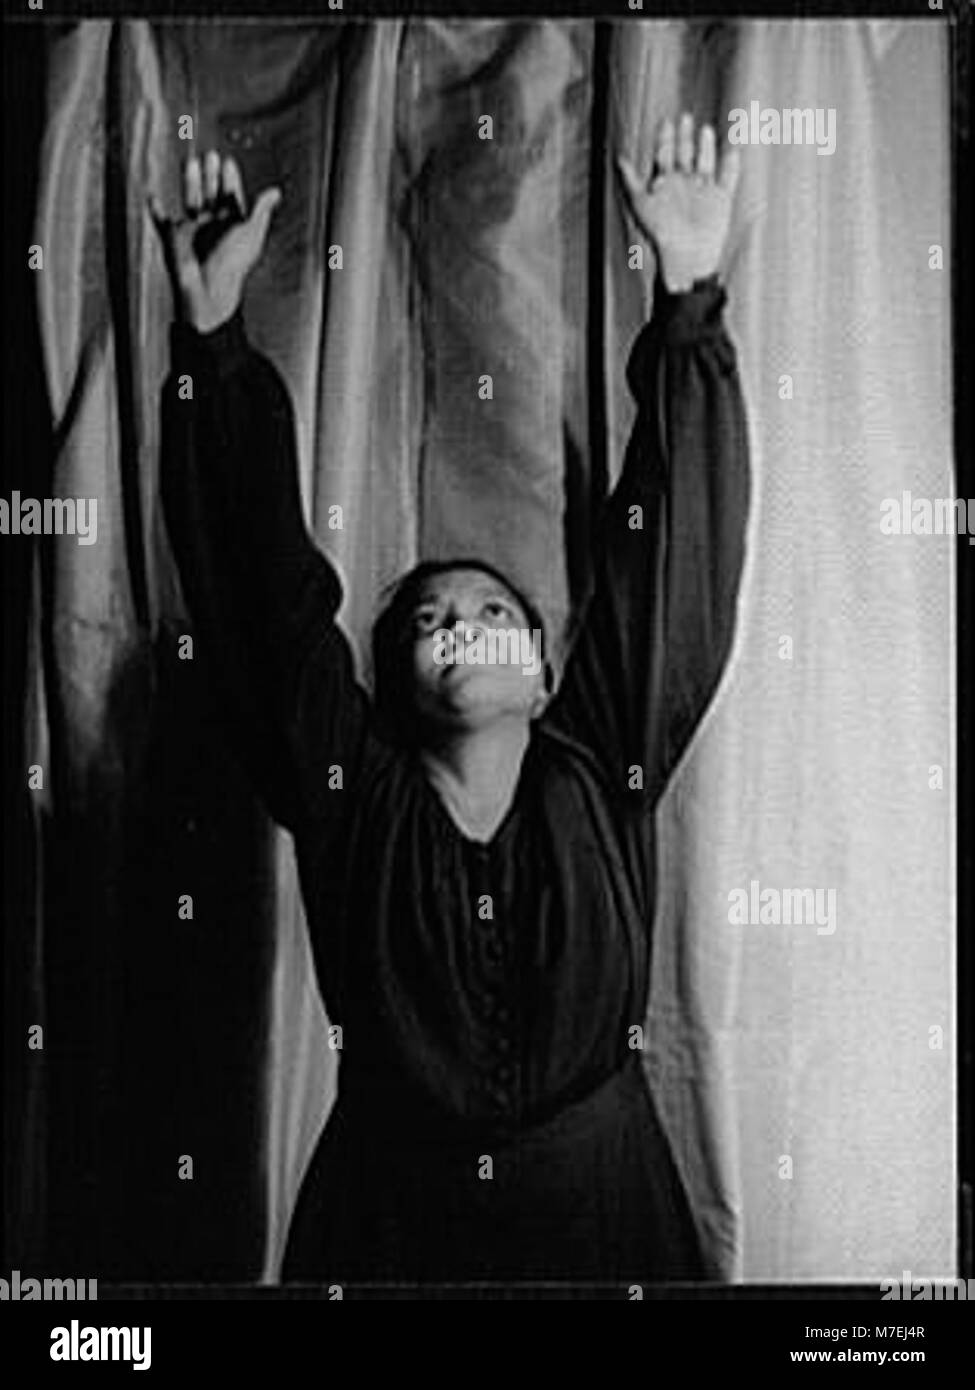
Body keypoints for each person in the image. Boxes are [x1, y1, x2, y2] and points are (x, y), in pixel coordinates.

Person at [152, 112, 750, 1283]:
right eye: (425, 622)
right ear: (389, 684)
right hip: (391, 1229)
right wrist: (212, 342)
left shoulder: (603, 756)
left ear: (542, 665)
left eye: (488, 613)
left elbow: (671, 569)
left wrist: (688, 296)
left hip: (604, 1220)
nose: (458, 628)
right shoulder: (348, 792)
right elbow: (266, 614)